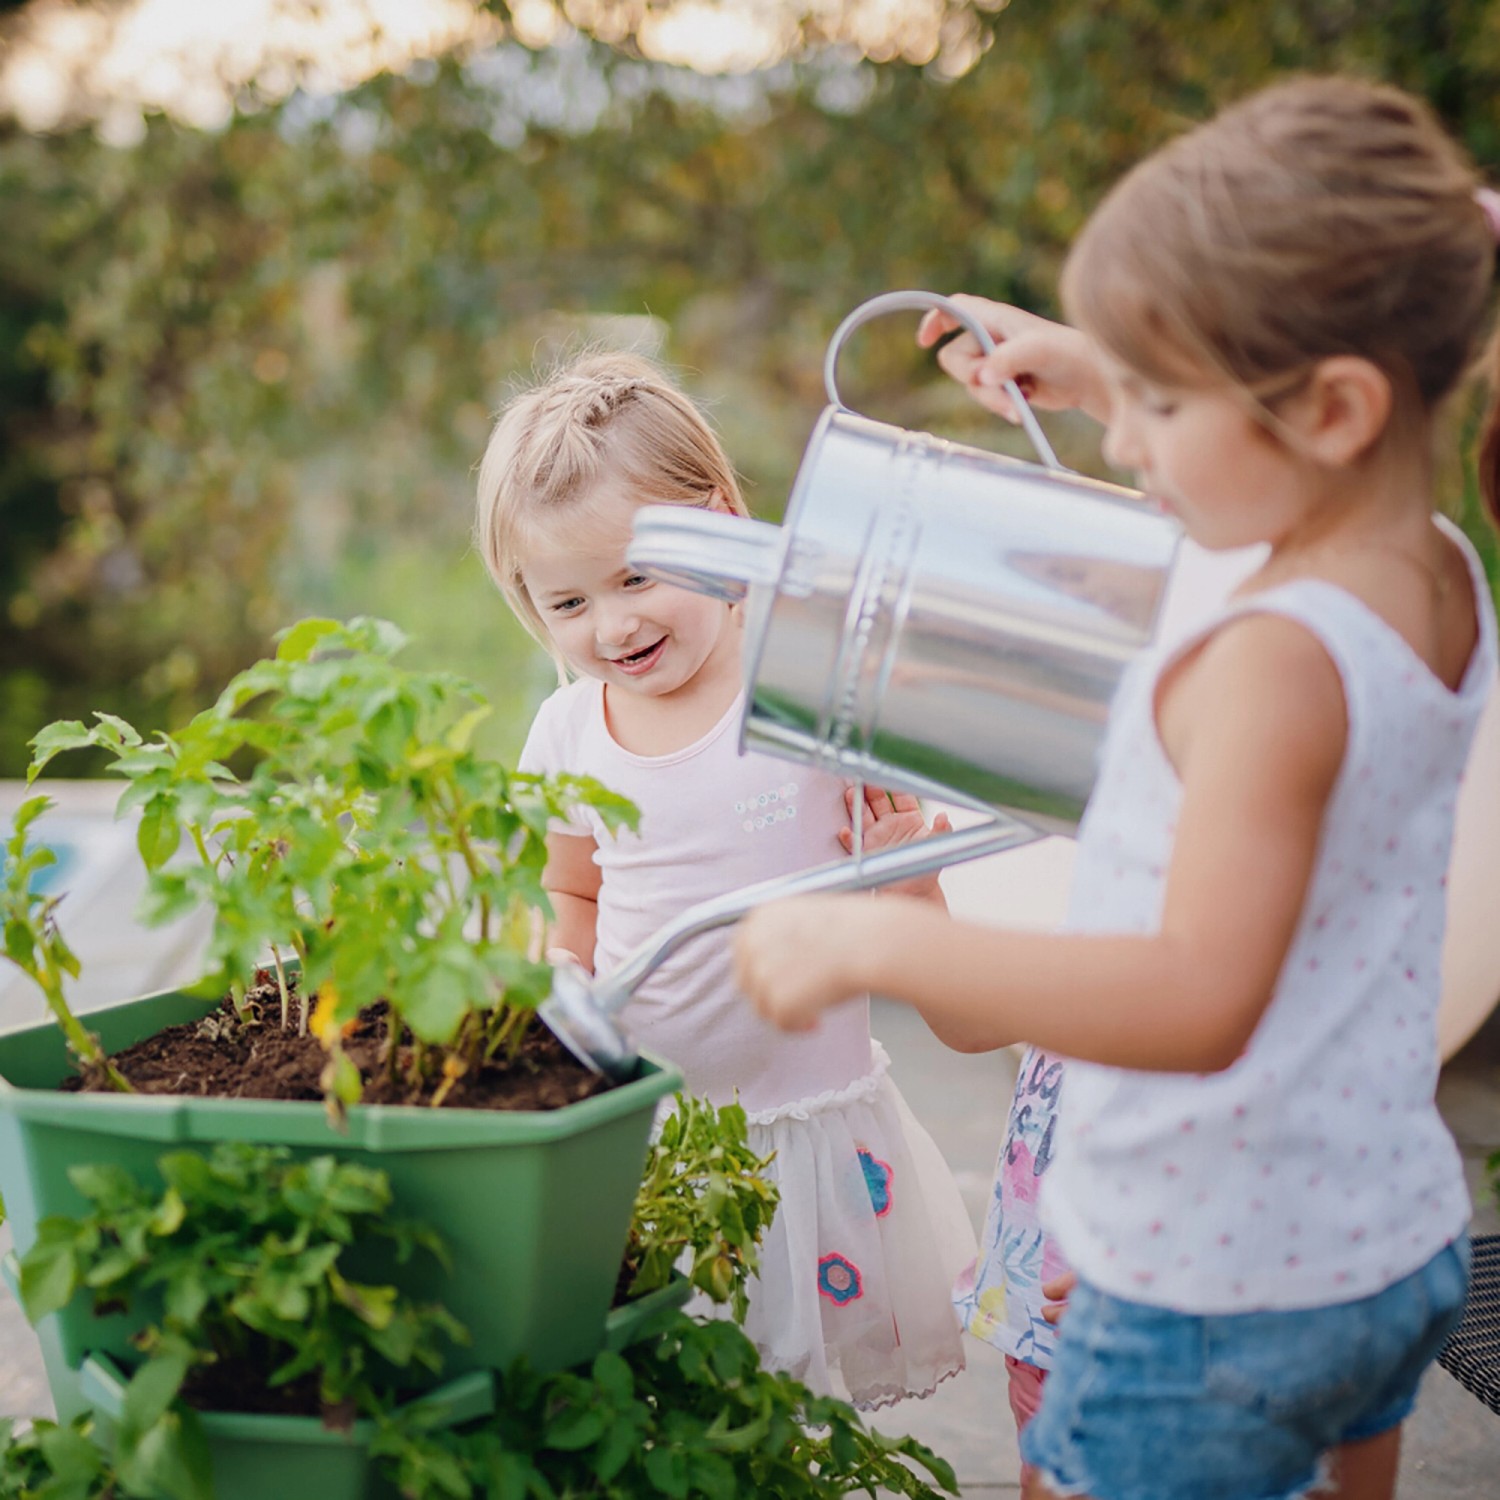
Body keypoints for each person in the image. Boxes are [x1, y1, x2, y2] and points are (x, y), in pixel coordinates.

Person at [732, 75, 1500, 1499]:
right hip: (1377, 1242)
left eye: (1158, 400)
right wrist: (1100, 362)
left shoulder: (1274, 662)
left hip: (1202, 1290)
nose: (1125, 441)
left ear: (1331, 405)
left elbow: (1200, 997)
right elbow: (1248, 482)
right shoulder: (1425, 559)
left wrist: (888, 941)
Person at [472, 349, 977, 1408]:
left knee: (792, 1401)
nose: (611, 626)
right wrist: (555, 969)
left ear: (724, 523)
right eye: (568, 602)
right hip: (653, 1131)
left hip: (805, 1125)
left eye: (639, 575)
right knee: (668, 1385)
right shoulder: (568, 732)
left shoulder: (803, 686)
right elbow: (570, 893)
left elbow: (905, 889)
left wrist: (902, 876)